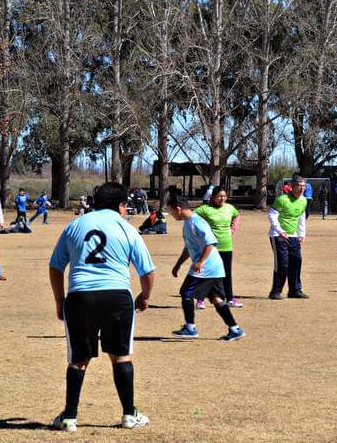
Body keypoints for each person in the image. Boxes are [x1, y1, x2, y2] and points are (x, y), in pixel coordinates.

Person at [48, 182, 155, 432]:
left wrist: (59, 300)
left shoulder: (75, 225)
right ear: (120, 206)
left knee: (78, 358)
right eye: (126, 206)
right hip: (116, 296)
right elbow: (147, 271)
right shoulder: (126, 228)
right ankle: (129, 415)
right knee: (121, 355)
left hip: (80, 296)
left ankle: (69, 418)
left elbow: (55, 267)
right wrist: (145, 296)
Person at [168, 195, 245, 341]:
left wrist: (201, 262)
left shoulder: (197, 221)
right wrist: (178, 264)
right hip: (213, 267)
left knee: (186, 292)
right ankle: (235, 329)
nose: (172, 215)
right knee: (216, 298)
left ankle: (190, 328)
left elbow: (210, 242)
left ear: (178, 209)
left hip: (207, 267)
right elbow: (189, 247)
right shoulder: (187, 223)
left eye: (172, 212)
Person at [195, 186, 242, 309]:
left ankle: (230, 298)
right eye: (219, 196)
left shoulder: (229, 208)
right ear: (213, 197)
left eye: (224, 196)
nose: (222, 198)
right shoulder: (205, 209)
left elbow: (237, 215)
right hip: (211, 248)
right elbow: (192, 218)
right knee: (207, 273)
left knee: (227, 273)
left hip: (227, 246)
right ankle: (200, 300)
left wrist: (233, 228)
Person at [268, 176, 308, 299]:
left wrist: (302, 234)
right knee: (282, 263)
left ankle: (295, 290)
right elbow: (272, 215)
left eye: (303, 186)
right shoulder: (282, 199)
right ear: (292, 186)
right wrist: (279, 231)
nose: (301, 188)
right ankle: (276, 291)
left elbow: (301, 217)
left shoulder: (303, 200)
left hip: (293, 236)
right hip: (278, 236)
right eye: (299, 186)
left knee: (296, 261)